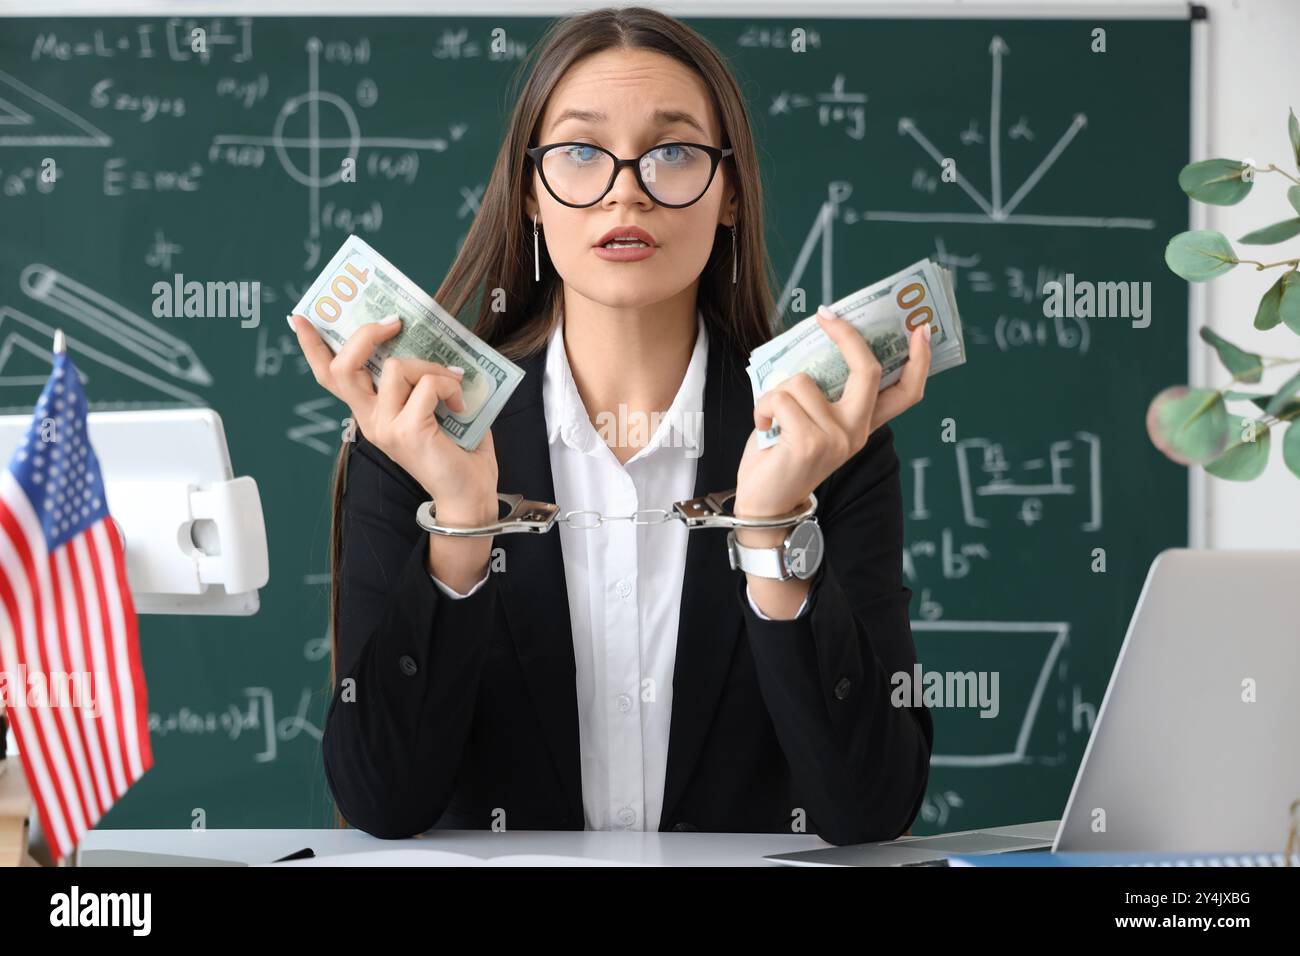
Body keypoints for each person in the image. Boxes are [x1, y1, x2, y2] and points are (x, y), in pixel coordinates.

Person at [289, 6, 934, 847]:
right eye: (581, 153)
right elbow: (381, 799)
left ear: (729, 191)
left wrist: (775, 534)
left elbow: (872, 809)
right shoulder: (418, 438)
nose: (626, 187)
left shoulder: (826, 443)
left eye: (672, 152)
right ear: (531, 191)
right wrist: (459, 525)